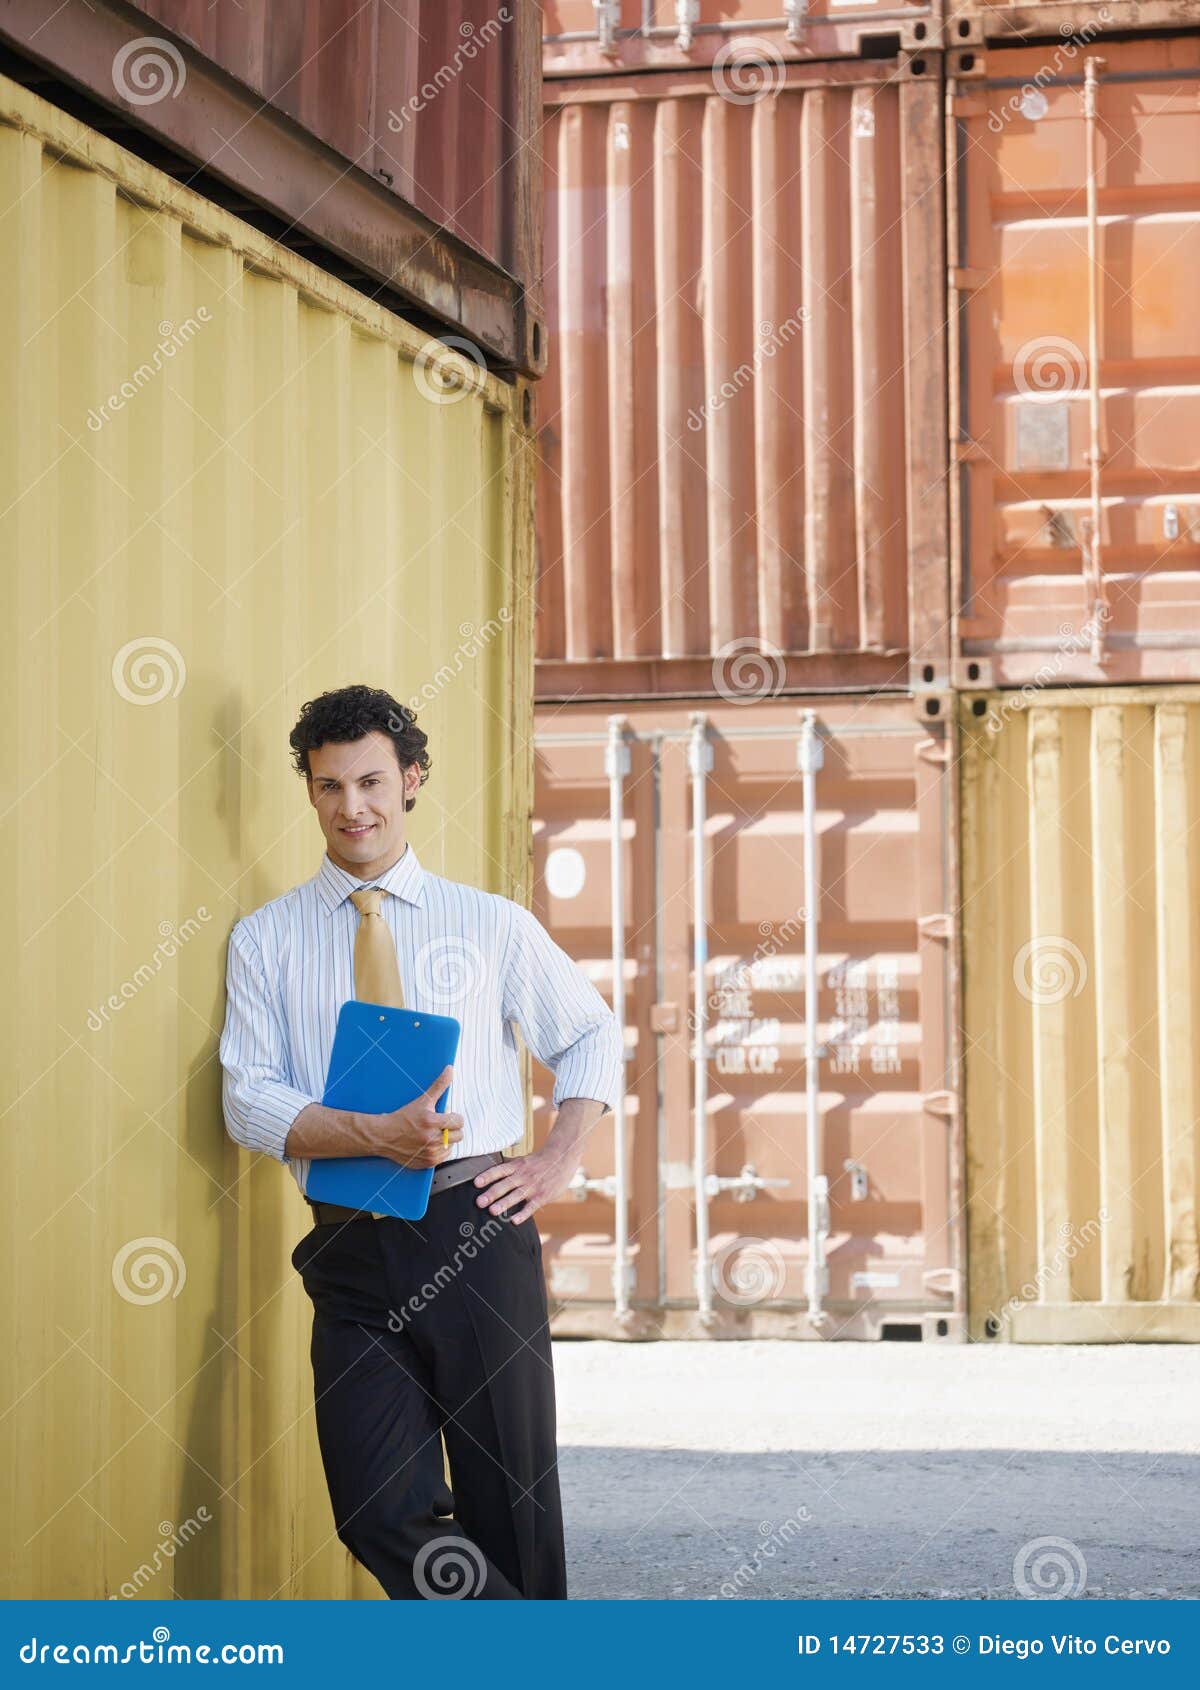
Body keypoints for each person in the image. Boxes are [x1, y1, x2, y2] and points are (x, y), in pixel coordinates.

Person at [218, 683, 623, 1600]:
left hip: (474, 1228)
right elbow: (248, 1099)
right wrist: (375, 1133)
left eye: (369, 781)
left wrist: (557, 1158)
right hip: (349, 1244)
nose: (351, 807)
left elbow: (592, 1035)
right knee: (376, 1509)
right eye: (328, 787)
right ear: (310, 793)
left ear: (411, 780)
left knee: (509, 1504)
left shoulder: (489, 924)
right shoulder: (267, 940)